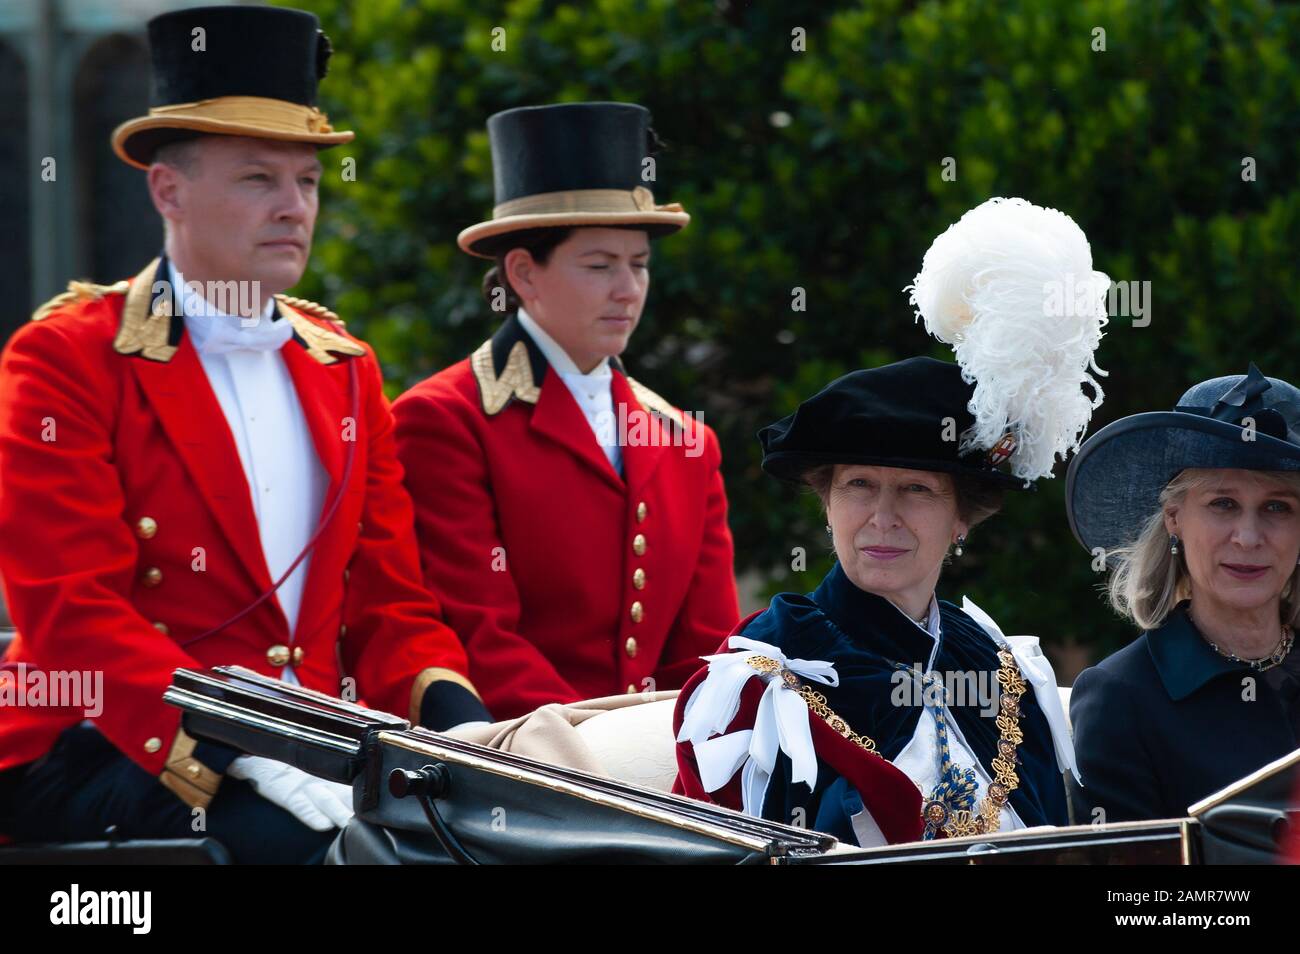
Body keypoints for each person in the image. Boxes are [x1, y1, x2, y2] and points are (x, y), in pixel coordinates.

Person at [0, 5, 488, 864]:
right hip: (104, 738)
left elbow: (390, 604)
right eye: (258, 179)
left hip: (313, 745)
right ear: (168, 190)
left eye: (306, 181)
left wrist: (461, 724)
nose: (293, 206)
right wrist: (234, 743)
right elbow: (72, 610)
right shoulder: (66, 356)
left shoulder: (346, 366)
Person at [673, 197, 1105, 845]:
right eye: (858, 486)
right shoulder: (757, 684)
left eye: (916, 491)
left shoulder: (1003, 673)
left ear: (962, 517)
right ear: (826, 503)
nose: (882, 516)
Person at [392, 102, 739, 720]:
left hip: (666, 771)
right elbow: (481, 635)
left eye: (639, 265)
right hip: (522, 765)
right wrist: (594, 756)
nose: (628, 289)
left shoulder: (687, 441)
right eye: (600, 265)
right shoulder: (445, 419)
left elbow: (707, 650)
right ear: (524, 273)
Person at [1068, 364, 1300, 823]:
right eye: (1222, 504)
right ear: (1175, 517)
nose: (1248, 537)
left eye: (1277, 506)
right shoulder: (1122, 698)